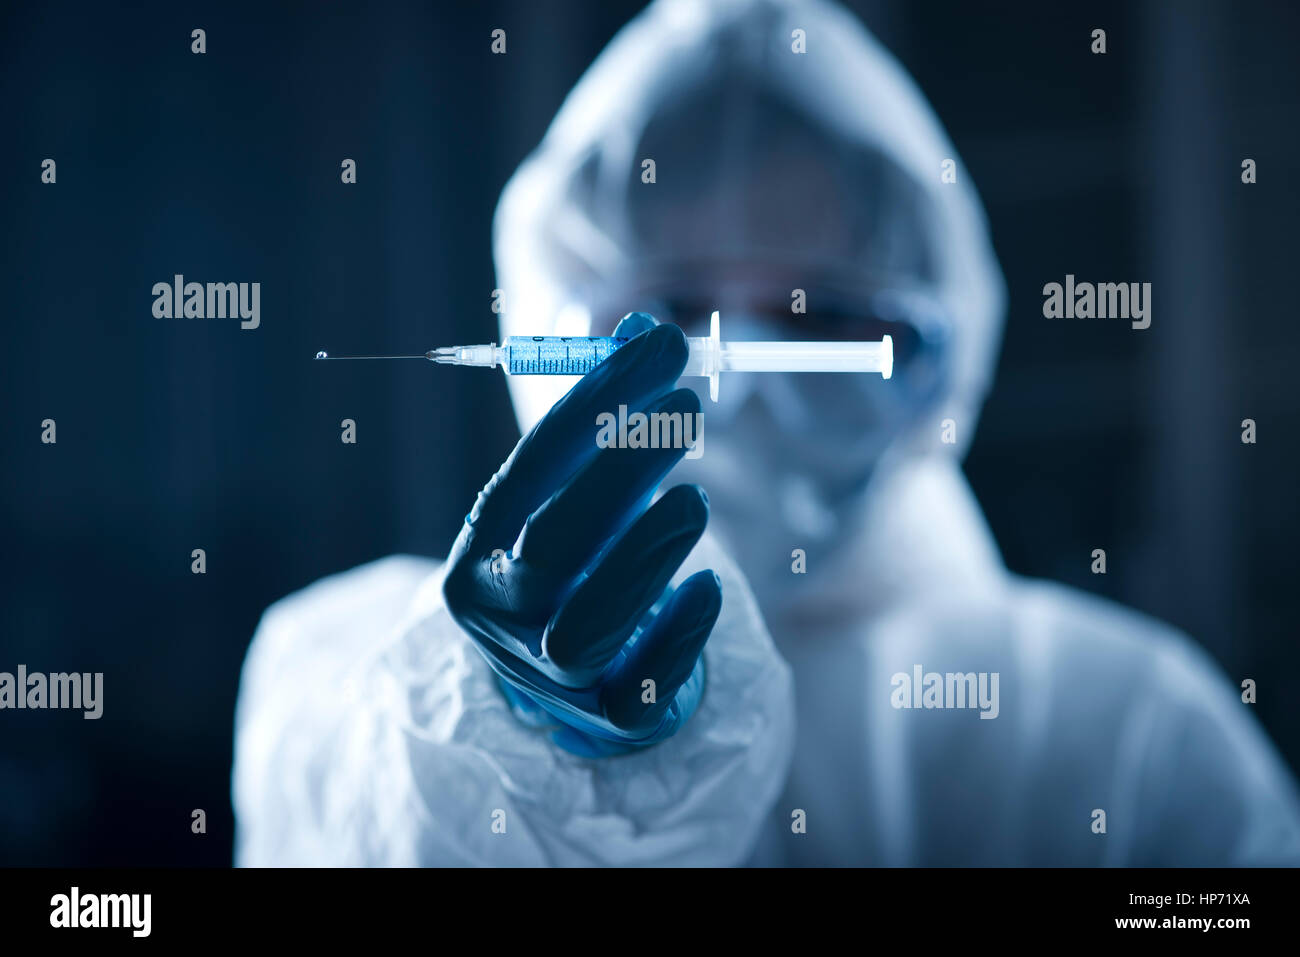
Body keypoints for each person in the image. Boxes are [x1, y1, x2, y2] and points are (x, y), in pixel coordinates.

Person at [232, 0, 1300, 865]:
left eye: (818, 320)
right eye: (671, 314)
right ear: (557, 327)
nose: (734, 386)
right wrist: (515, 760)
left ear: (938, 346)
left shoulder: (1123, 728)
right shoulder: (371, 678)